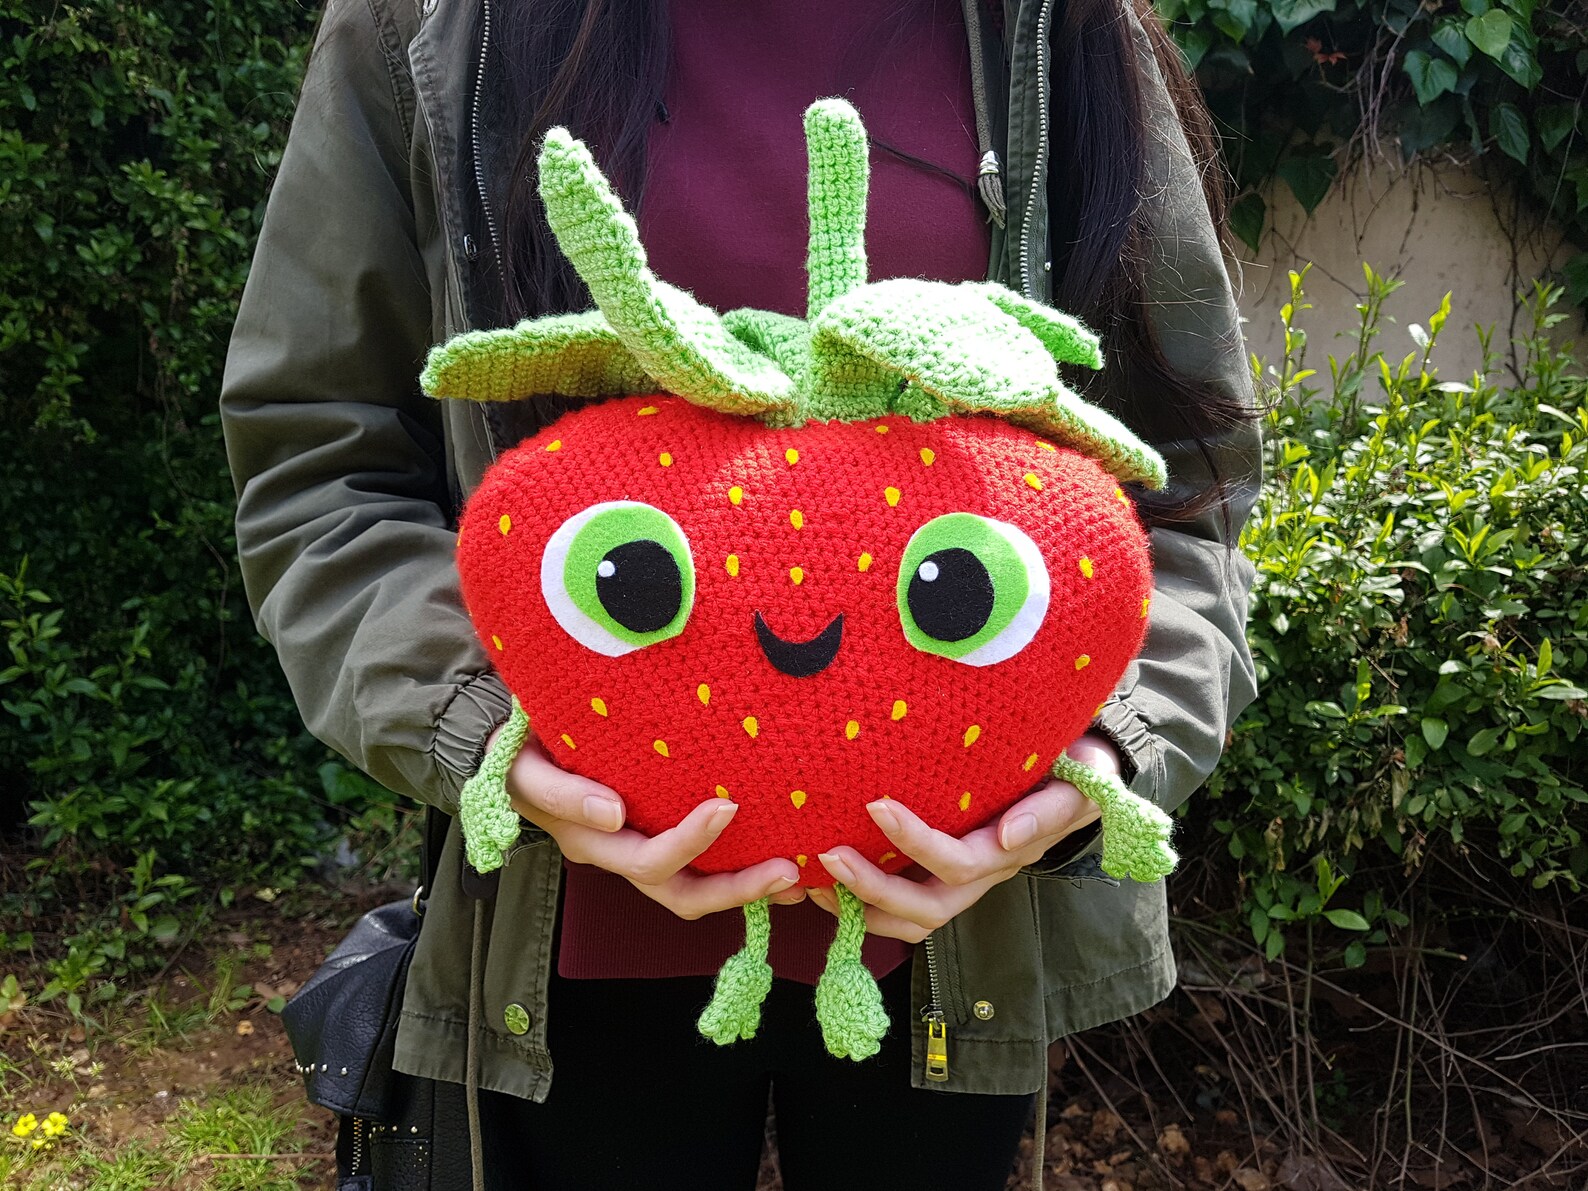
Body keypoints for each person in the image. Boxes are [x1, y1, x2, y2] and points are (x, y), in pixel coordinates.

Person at [220, 0, 1260, 1187]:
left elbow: (1188, 492)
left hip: (955, 953)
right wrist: (482, 728)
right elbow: (319, 465)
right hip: (567, 951)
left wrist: (1103, 754)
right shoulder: (436, 27)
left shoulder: (1051, 29)